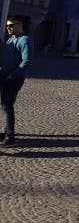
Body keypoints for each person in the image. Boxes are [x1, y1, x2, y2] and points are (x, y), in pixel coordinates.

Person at [1, 17, 32, 147]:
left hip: (13, 79)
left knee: (7, 106)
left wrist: (12, 75)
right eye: (7, 26)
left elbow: (27, 61)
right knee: (4, 105)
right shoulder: (10, 39)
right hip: (4, 77)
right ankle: (7, 132)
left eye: (11, 25)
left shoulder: (25, 40)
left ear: (20, 25)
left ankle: (10, 137)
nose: (8, 28)